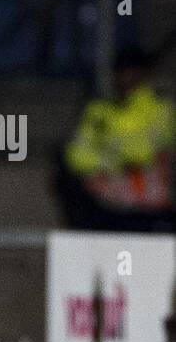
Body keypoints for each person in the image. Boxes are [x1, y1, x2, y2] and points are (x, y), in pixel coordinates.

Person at [60, 48, 174, 233]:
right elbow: (77, 155)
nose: (125, 78)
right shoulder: (99, 109)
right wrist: (116, 163)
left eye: (132, 72)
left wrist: (107, 152)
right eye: (121, 72)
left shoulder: (161, 109)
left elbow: (143, 153)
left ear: (144, 75)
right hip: (107, 203)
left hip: (150, 206)